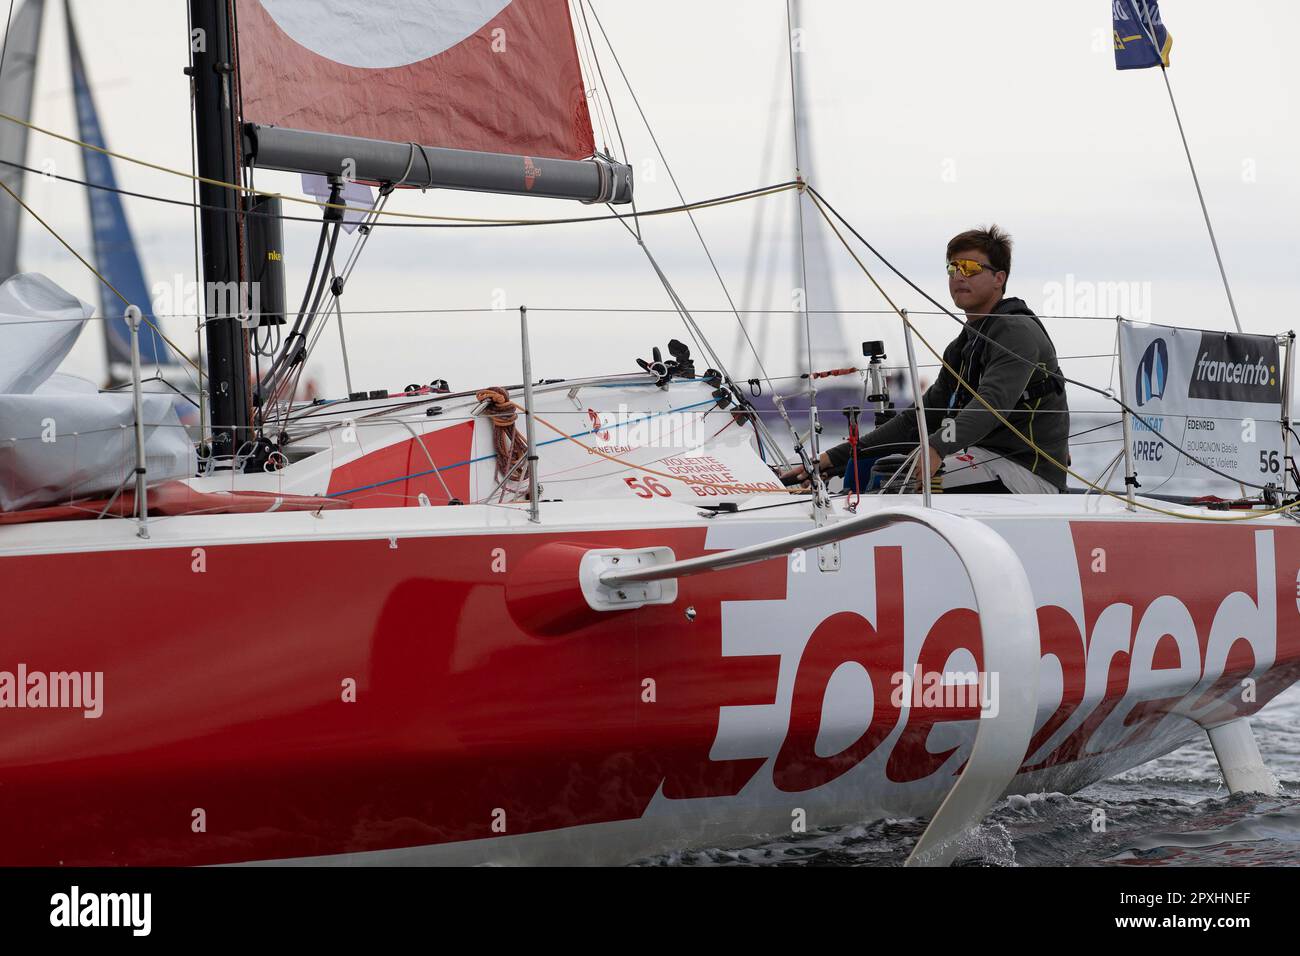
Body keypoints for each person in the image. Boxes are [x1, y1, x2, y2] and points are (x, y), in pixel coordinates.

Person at [783, 225, 1069, 493]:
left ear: (999, 278)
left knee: (893, 479)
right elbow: (920, 417)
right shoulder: (964, 345)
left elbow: (991, 405)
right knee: (864, 467)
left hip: (1027, 473)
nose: (959, 276)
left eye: (970, 268)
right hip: (979, 457)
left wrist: (937, 446)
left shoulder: (1015, 331)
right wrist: (835, 457)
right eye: (952, 268)